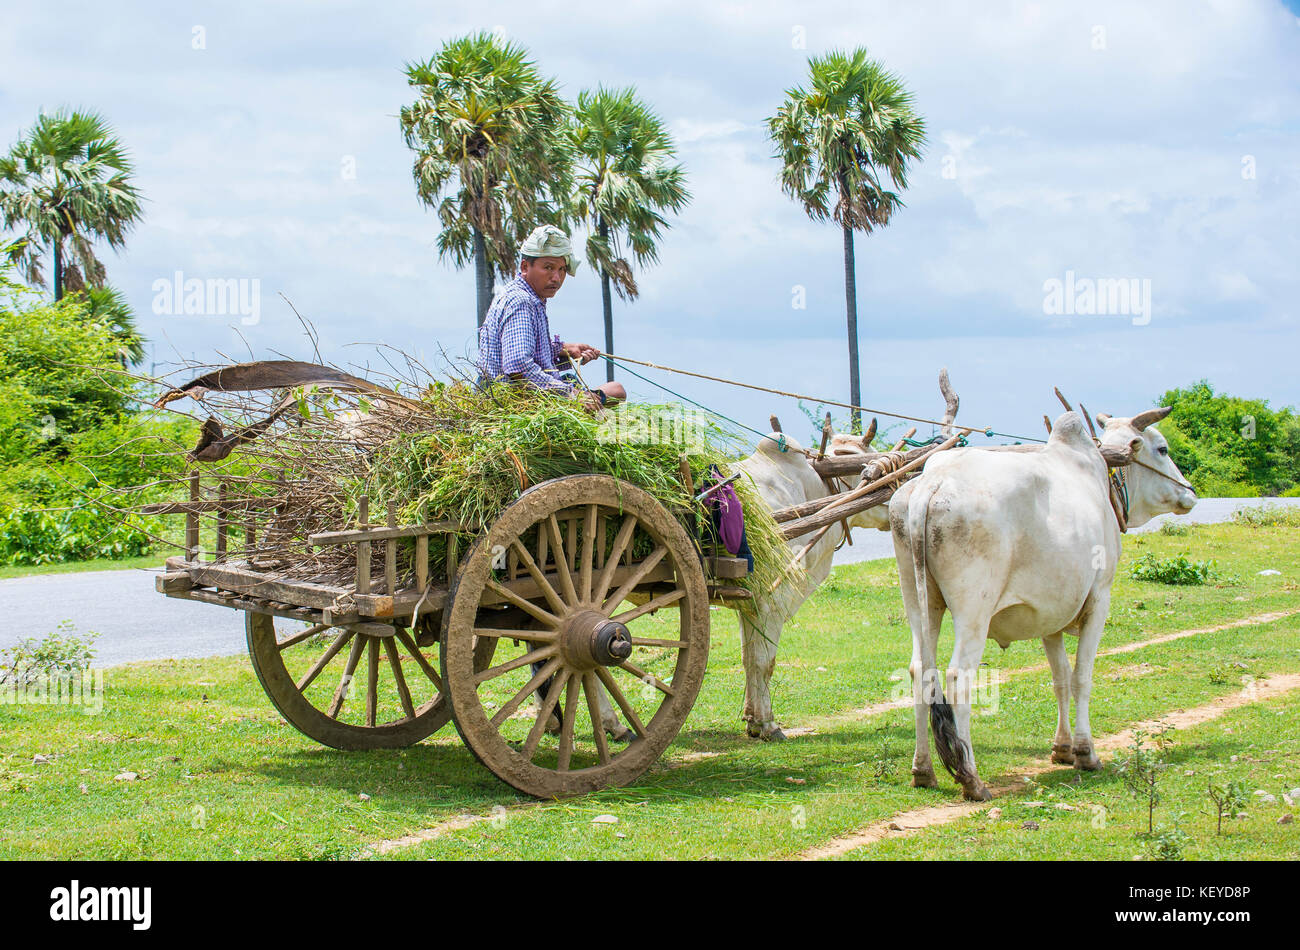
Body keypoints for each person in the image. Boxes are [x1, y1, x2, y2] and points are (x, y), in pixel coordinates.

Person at [477, 224, 626, 412]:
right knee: (613, 392)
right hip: (515, 402)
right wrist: (569, 394)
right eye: (548, 268)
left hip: (527, 395)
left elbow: (531, 357)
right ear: (525, 266)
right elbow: (517, 366)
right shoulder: (521, 301)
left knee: (616, 391)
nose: (556, 277)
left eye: (562, 269)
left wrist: (566, 352)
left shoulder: (530, 297)